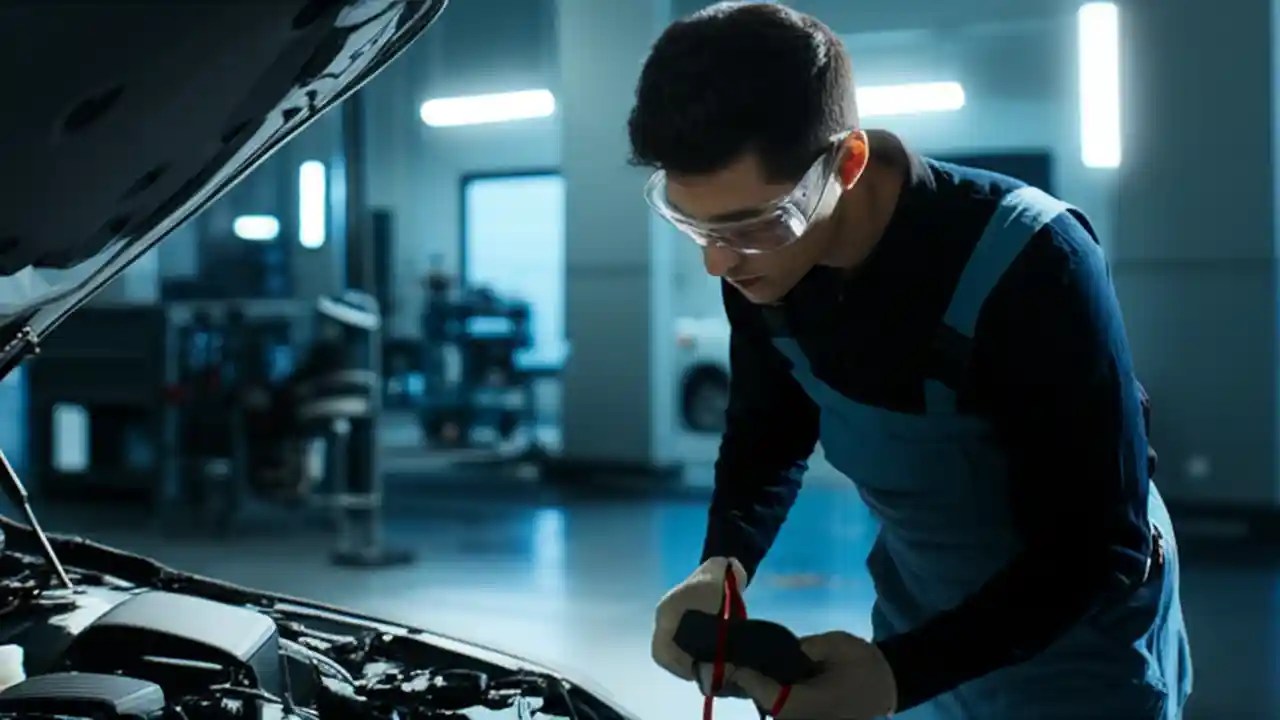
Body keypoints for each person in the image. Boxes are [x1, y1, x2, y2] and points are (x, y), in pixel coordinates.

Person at [629, 3, 1193, 719]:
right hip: (917, 615)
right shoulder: (762, 260)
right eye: (695, 225)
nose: (717, 260)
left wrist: (898, 676)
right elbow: (766, 432)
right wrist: (724, 563)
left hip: (1078, 644)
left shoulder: (1033, 263)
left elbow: (1097, 544)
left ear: (849, 162)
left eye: (751, 225)